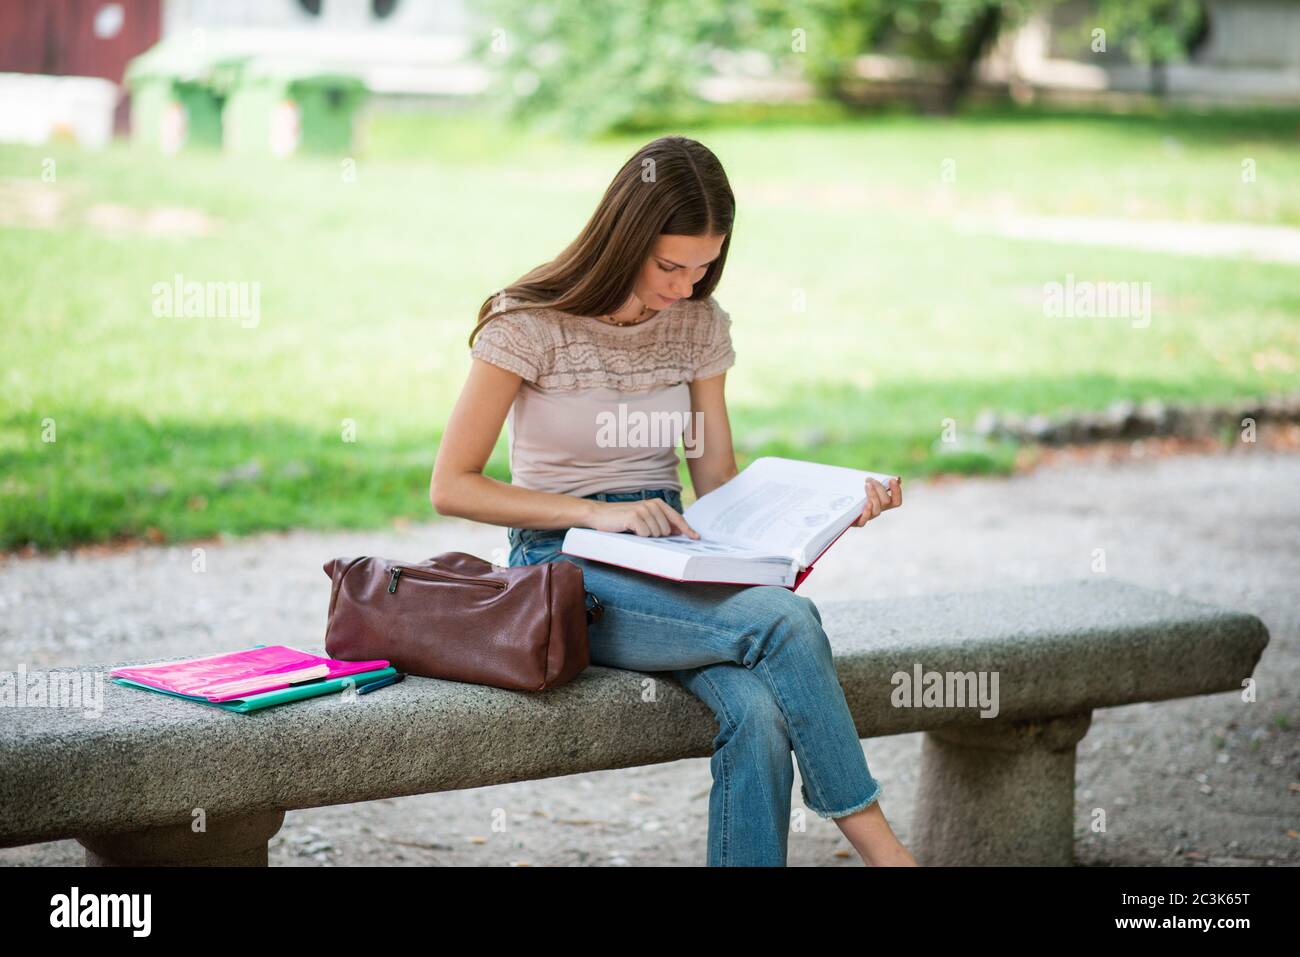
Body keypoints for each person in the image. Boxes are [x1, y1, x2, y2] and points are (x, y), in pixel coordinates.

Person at [430, 135, 916, 867]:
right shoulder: (526, 322)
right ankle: (887, 852)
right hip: (563, 566)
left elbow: (716, 480)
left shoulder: (697, 322)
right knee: (784, 621)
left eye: (704, 266)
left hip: (673, 555)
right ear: (625, 238)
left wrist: (834, 507)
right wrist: (595, 512)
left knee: (756, 711)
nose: (686, 286)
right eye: (669, 265)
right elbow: (452, 484)